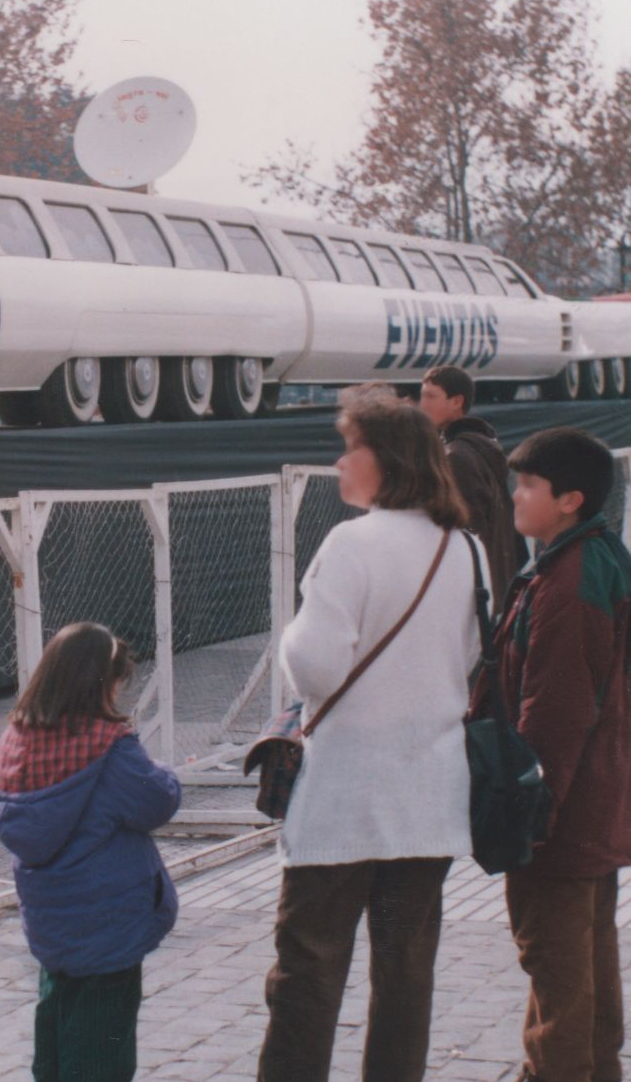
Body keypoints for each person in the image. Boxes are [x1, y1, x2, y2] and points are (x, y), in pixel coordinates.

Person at [258, 385, 480, 1082]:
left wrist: (294, 630)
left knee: (309, 974)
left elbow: (314, 669)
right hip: (428, 797)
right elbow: (469, 659)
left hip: (346, 800)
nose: (340, 461)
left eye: (351, 447)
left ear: (384, 459)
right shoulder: (465, 548)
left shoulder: (350, 543)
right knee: (405, 978)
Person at [469, 427, 631, 1082]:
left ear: (570, 499)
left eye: (528, 486)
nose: (515, 496)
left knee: (558, 973)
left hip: (563, 814)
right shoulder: (597, 557)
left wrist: (530, 816)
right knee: (587, 965)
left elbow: (557, 712)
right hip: (597, 804)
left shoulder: (567, 581)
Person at [0, 622, 180, 1082]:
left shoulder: (13, 740)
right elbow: (158, 801)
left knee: (56, 1029)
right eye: (117, 683)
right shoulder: (110, 749)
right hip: (108, 926)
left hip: (53, 925)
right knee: (102, 1056)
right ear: (102, 683)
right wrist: (161, 768)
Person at [419, 364, 527, 609]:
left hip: (470, 594)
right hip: (491, 587)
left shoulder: (456, 456)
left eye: (430, 396)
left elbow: (466, 531)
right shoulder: (479, 446)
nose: (422, 404)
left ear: (456, 401)